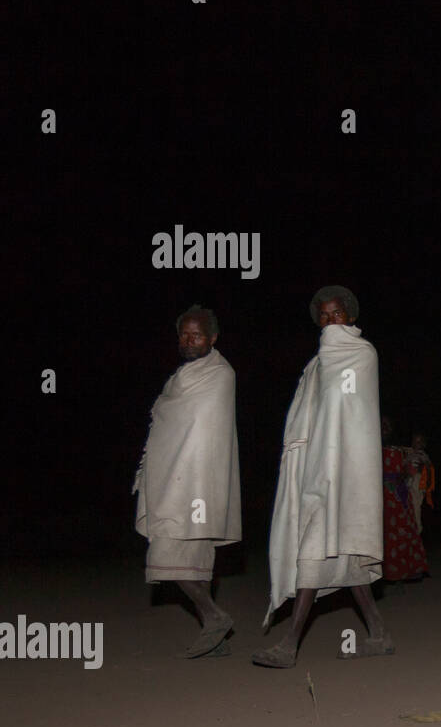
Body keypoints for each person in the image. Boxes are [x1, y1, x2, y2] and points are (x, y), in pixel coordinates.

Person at [254, 286, 394, 668]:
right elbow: (313, 419)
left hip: (347, 474)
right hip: (317, 470)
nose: (331, 321)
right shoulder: (315, 366)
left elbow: (350, 415)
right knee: (349, 561)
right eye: (325, 316)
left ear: (350, 316)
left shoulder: (362, 354)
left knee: (314, 551)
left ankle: (289, 645)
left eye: (338, 314)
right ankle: (379, 634)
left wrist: (334, 463)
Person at [133, 305, 241, 657]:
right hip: (175, 479)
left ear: (212, 338)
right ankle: (216, 638)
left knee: (171, 553)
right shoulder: (182, 377)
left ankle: (215, 617)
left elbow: (205, 432)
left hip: (200, 486)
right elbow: (172, 425)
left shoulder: (220, 375)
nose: (189, 340)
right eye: (184, 334)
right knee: (191, 563)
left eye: (197, 334)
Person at [381, 417, 430, 582]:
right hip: (384, 495)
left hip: (401, 494)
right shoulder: (372, 448)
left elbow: (421, 472)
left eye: (388, 425)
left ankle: (407, 570)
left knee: (407, 529)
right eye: (382, 425)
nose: (385, 428)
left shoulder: (403, 452)